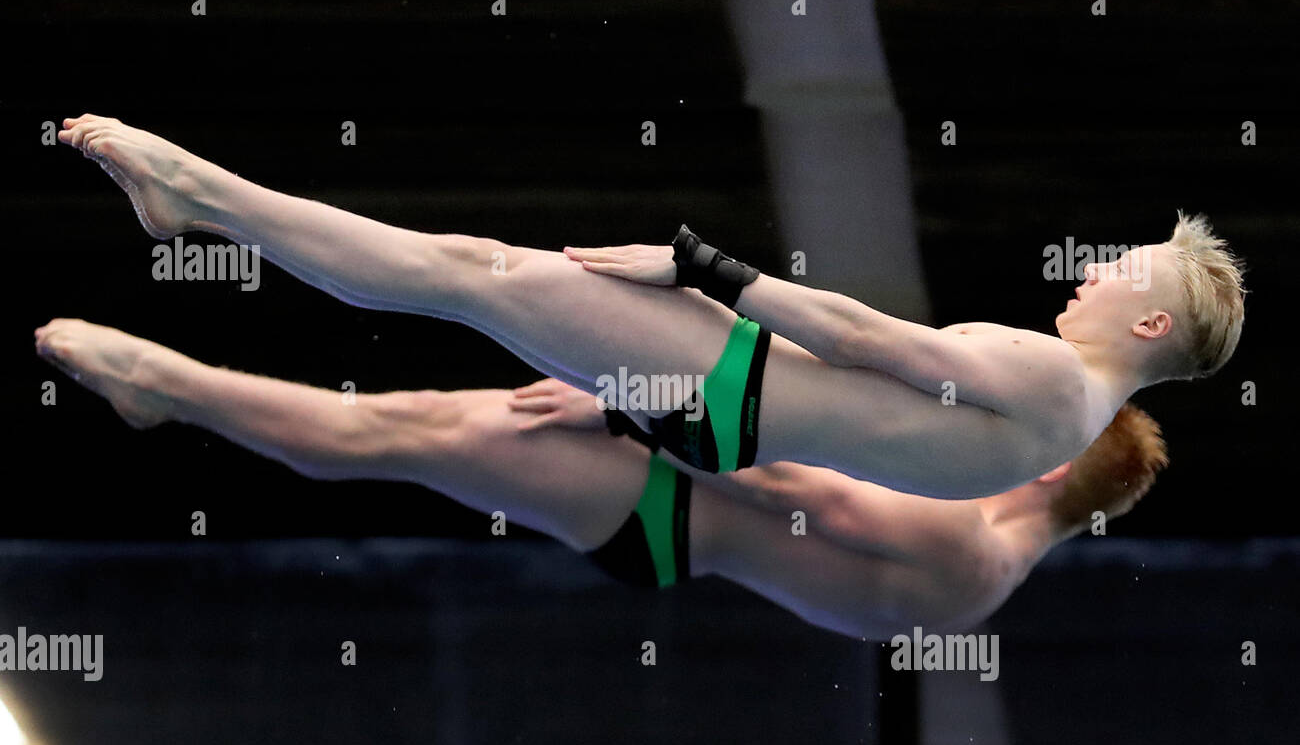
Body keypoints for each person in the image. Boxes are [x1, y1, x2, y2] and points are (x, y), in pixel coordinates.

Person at [56, 114, 1223, 498]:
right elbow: (862, 433)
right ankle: (202, 215)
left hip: (731, 379)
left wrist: (702, 268)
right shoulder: (1058, 426)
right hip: (727, 418)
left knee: (463, 270)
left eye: (1121, 269)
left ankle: (195, 191)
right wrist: (626, 409)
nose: (1093, 269)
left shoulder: (1057, 382)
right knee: (466, 283)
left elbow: (867, 339)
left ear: (1152, 326)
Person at [33, 318, 1167, 640]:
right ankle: (175, 390)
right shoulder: (989, 576)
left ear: (1057, 461)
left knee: (402, 433)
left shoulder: (971, 542)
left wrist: (626, 410)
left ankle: (167, 387)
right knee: (408, 429)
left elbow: (799, 496)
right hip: (673, 523)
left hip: (669, 503)